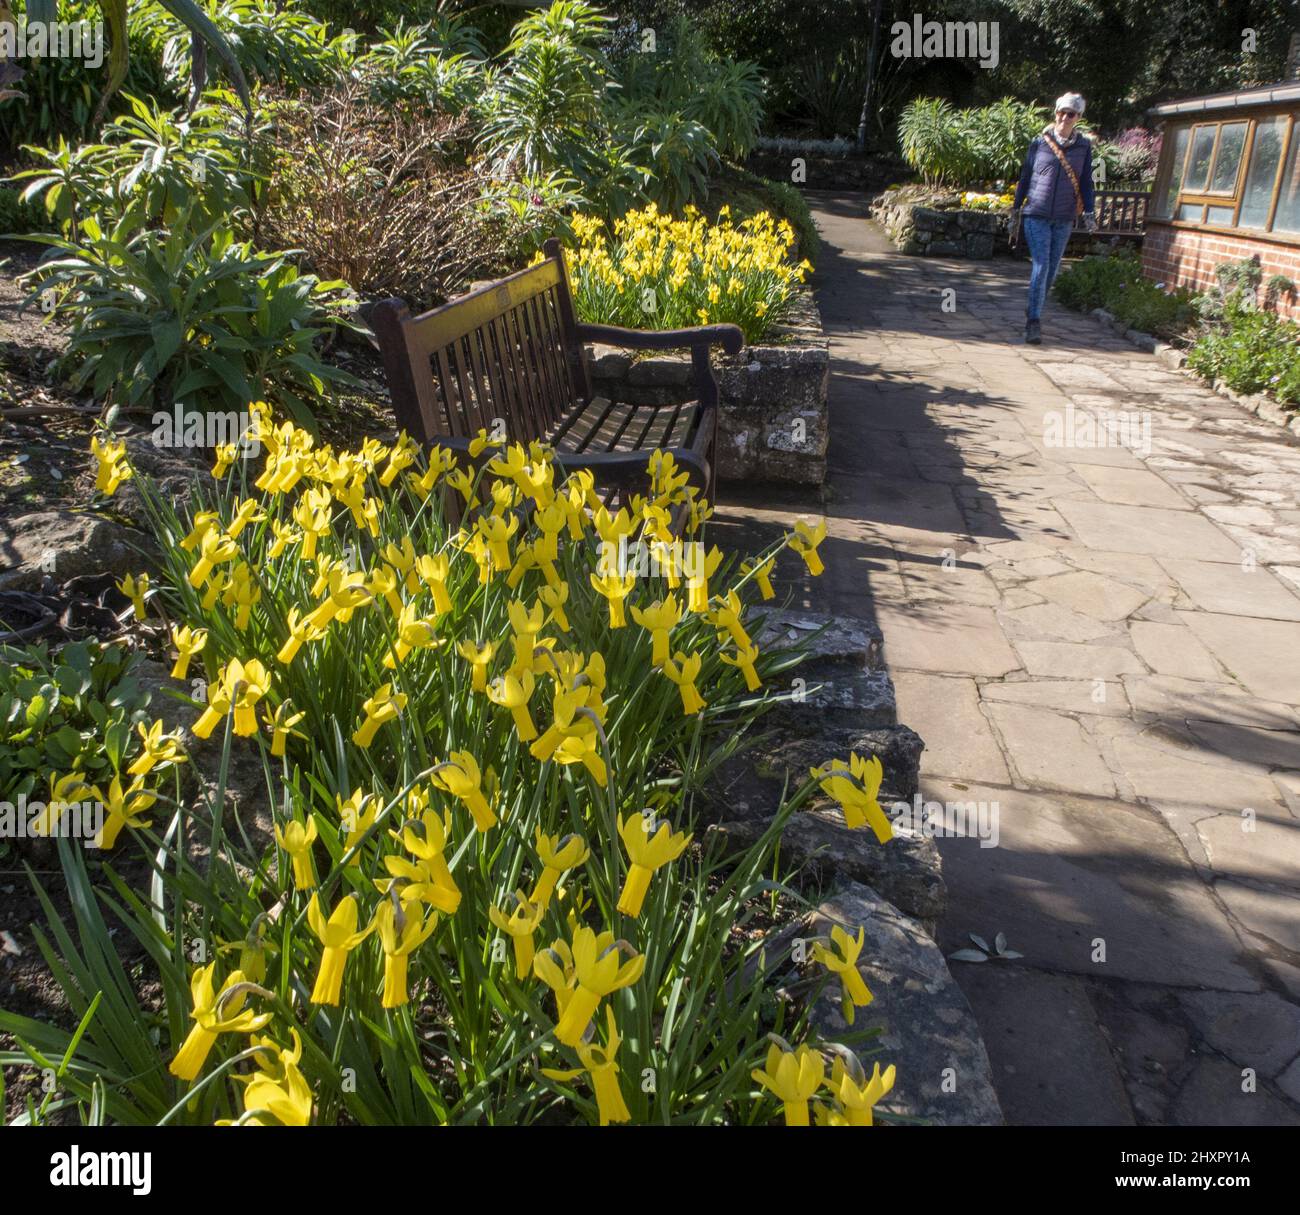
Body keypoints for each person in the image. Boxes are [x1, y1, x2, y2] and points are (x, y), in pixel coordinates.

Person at [1012, 93, 1097, 344]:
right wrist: (1016, 209)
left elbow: (1085, 182)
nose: (1064, 117)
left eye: (1071, 114)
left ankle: (1034, 306)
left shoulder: (1083, 147)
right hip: (1036, 214)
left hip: (1063, 216)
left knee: (1052, 269)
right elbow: (1025, 177)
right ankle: (1033, 322)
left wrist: (1089, 212)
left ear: (1078, 118)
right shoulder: (1039, 143)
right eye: (1061, 112)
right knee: (1042, 265)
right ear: (1055, 113)